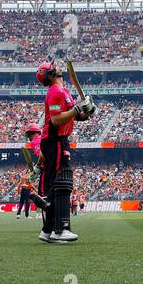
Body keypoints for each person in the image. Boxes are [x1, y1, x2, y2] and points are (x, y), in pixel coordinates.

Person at [35, 60, 94, 244]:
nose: (57, 67)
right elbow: (56, 120)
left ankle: (48, 230)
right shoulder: (55, 92)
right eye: (53, 67)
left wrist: (86, 112)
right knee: (61, 183)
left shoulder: (63, 91)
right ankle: (59, 229)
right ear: (51, 74)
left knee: (60, 182)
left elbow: (73, 115)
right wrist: (77, 109)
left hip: (59, 140)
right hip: (55, 140)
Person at [16, 124, 49, 219]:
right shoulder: (43, 138)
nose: (28, 138)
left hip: (47, 170)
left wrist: (38, 167)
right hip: (55, 168)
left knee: (43, 195)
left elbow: (42, 156)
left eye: (28, 135)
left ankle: (47, 222)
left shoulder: (35, 141)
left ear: (31, 133)